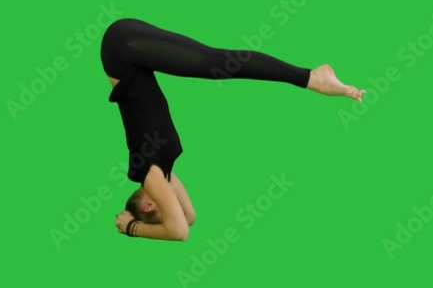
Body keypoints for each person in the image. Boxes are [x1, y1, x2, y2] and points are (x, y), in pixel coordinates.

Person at [101, 17, 365, 241]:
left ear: (149, 204)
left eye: (165, 209)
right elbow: (189, 218)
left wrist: (130, 228)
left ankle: (312, 77)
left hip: (120, 48)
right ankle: (313, 78)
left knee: (216, 64)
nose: (175, 208)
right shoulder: (164, 172)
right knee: (215, 64)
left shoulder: (147, 171)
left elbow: (179, 231)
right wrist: (152, 219)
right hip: (132, 58)